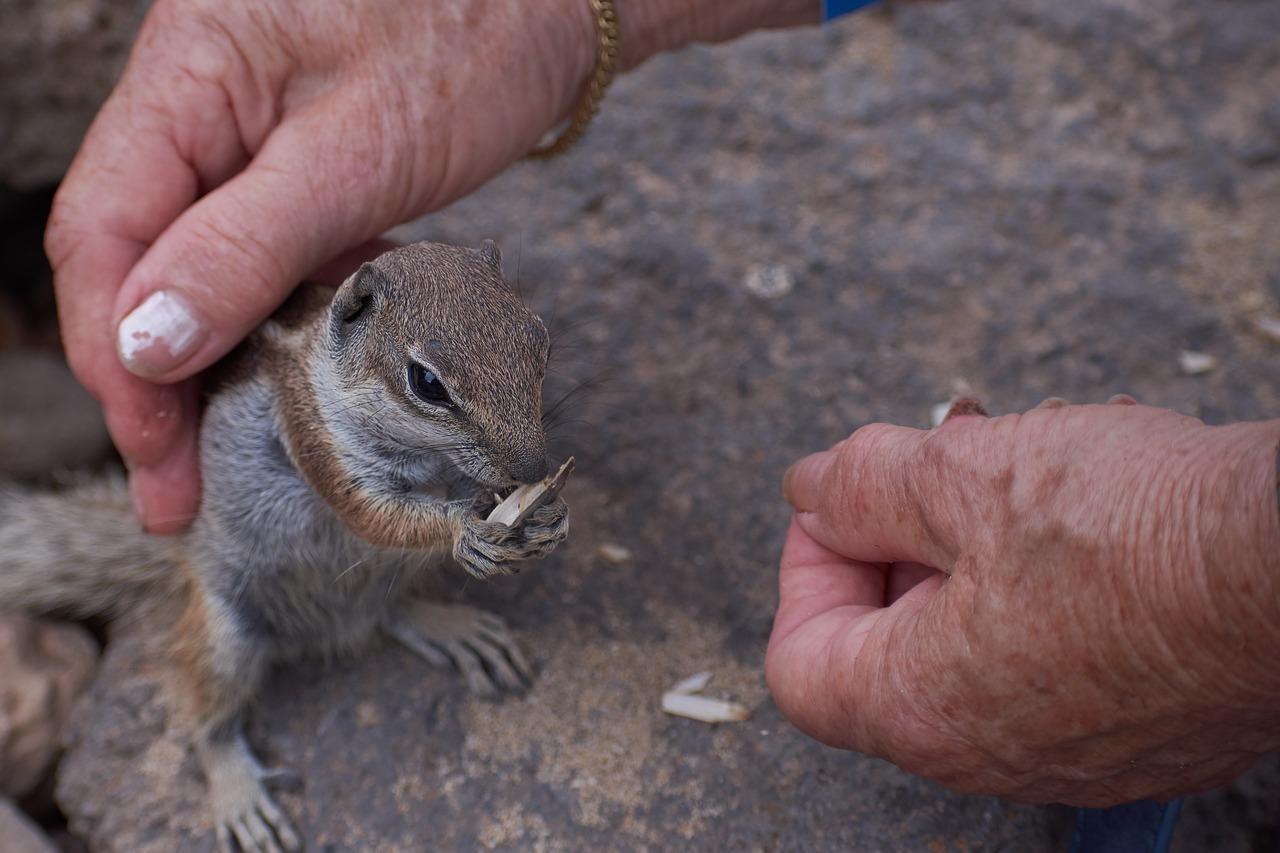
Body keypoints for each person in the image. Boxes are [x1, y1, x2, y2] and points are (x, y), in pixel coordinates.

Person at [44, 0, 1280, 808]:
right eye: (430, 392)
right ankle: (216, 753)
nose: (520, 446)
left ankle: (391, 621)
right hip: (263, 562)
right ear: (356, 332)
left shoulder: (459, 376)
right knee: (235, 631)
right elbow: (370, 509)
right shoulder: (306, 388)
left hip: (380, 575)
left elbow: (457, 462)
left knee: (423, 539)